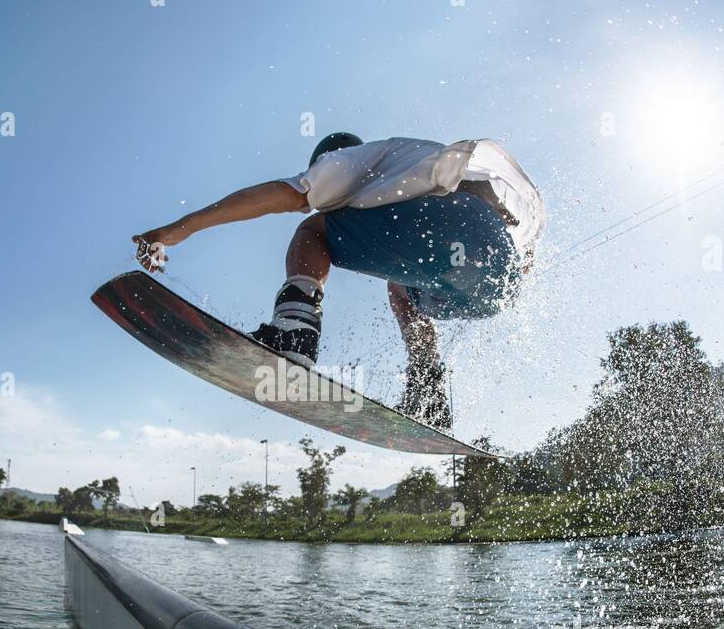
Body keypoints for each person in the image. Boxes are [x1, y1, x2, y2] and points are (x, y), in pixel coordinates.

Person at [133, 133, 544, 430]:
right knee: (401, 288)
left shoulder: (346, 160)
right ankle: (429, 390)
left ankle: (295, 335)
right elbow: (477, 193)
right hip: (493, 282)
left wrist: (180, 229)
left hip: (446, 229)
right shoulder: (409, 165)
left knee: (314, 229)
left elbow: (283, 194)